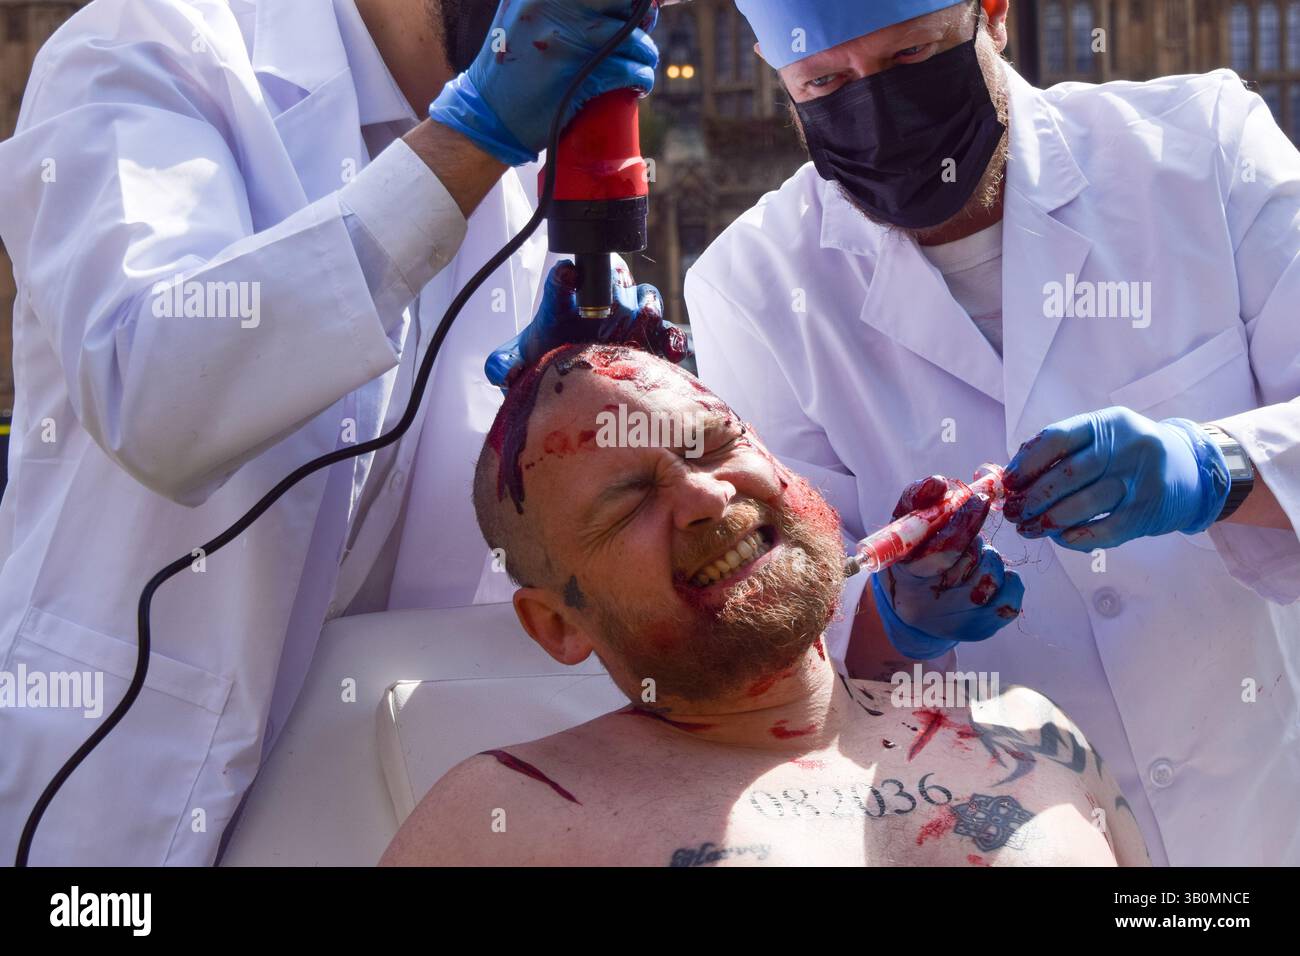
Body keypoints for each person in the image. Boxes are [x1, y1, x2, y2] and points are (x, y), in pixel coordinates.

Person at [0, 0, 664, 865]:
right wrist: (470, 143)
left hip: (373, 787)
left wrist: (569, 422)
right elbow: (155, 388)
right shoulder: (147, 44)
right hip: (124, 774)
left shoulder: (513, 166)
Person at [679, 0, 1300, 865]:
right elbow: (787, 613)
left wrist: (1216, 469)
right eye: (825, 82)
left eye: (909, 58)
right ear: (772, 70)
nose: (879, 110)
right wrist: (896, 616)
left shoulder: (1203, 147)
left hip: (1268, 797)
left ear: (993, 14)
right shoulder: (751, 287)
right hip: (1001, 839)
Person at [380, 344, 1148, 867]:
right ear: (556, 624)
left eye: (714, 444)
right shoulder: (502, 821)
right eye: (628, 502)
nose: (706, 496)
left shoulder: (1026, 728)